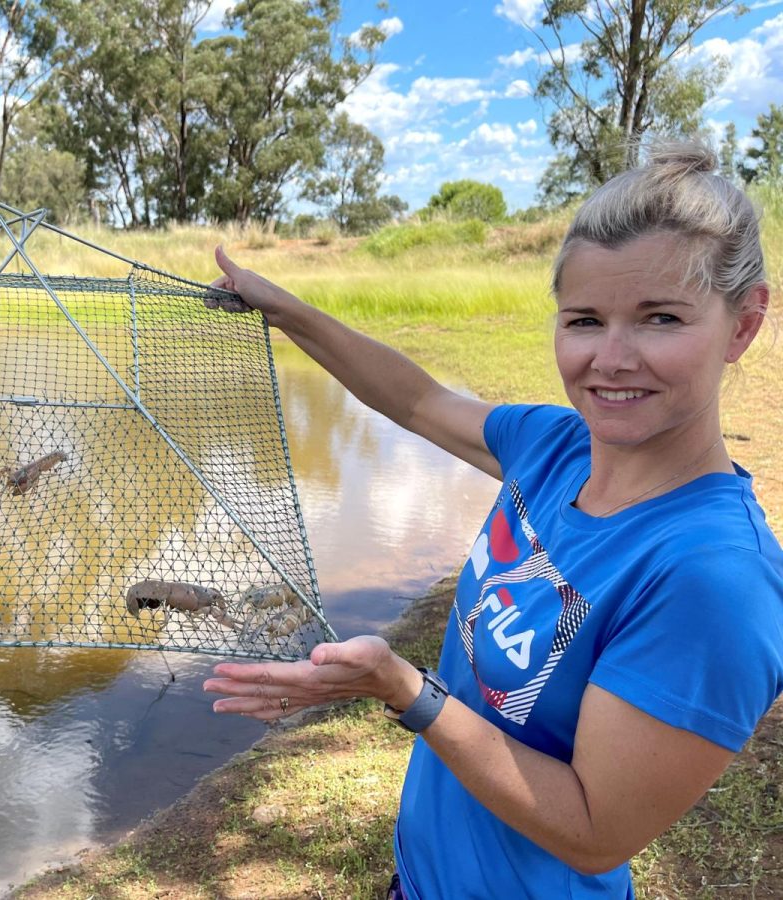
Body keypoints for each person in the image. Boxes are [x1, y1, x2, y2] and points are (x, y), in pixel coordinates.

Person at [202, 141, 783, 899]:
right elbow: (416, 400)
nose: (611, 357)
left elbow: (594, 830)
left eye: (661, 318)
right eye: (584, 320)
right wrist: (283, 311)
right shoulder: (553, 446)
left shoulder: (715, 578)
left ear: (743, 324)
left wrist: (403, 688)